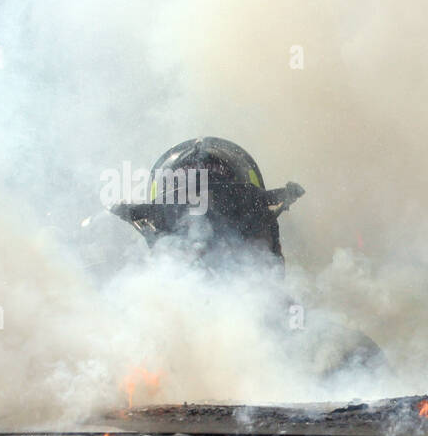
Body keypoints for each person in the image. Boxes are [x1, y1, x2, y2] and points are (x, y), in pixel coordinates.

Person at [109, 137, 388, 383]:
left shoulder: (342, 357)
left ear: (272, 242)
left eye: (235, 227)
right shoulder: (121, 369)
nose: (212, 253)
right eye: (185, 237)